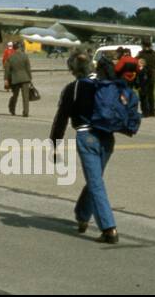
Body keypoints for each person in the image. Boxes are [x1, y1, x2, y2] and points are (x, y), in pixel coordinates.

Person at [50, 50, 118, 244]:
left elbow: (61, 118)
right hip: (107, 136)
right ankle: (82, 215)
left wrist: (55, 143)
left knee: (95, 182)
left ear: (73, 69)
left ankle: (109, 228)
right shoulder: (106, 84)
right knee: (95, 179)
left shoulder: (74, 88)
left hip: (86, 136)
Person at [3, 40, 33, 117]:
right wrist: (30, 78)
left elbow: (7, 70)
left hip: (15, 78)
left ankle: (12, 110)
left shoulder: (10, 57)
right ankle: (26, 112)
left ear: (13, 48)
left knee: (15, 95)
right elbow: (28, 69)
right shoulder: (25, 56)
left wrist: (6, 79)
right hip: (25, 78)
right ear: (20, 47)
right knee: (25, 97)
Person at [137, 38, 155, 118]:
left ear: (143, 45)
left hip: (144, 75)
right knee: (151, 94)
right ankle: (152, 111)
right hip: (152, 75)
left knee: (143, 94)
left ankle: (145, 112)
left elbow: (137, 62)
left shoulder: (141, 54)